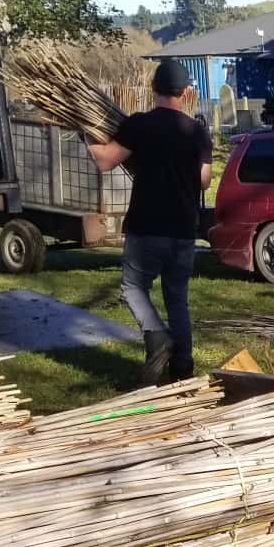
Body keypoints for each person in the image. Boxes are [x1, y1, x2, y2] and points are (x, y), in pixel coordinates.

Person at [87, 58, 210, 384]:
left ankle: (157, 337)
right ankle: (183, 368)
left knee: (132, 287)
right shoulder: (196, 131)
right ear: (185, 93)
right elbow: (205, 180)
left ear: (153, 89)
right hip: (184, 228)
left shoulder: (139, 124)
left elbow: (105, 161)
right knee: (176, 297)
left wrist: (87, 135)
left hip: (147, 225)